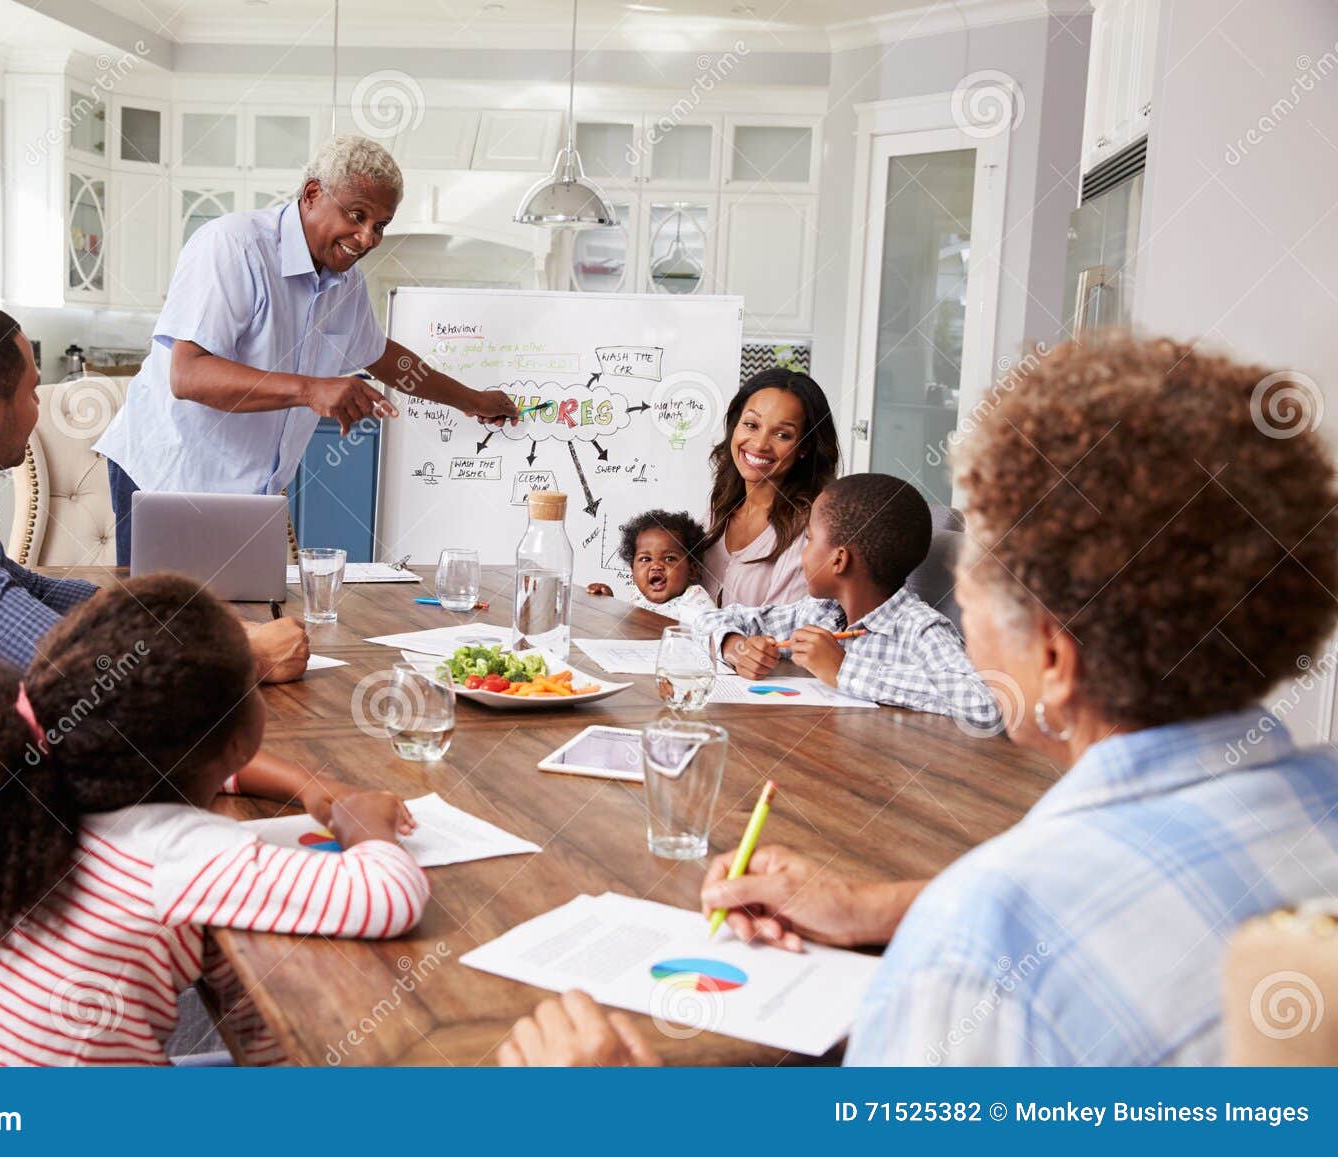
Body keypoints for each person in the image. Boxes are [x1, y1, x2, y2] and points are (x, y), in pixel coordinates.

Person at [500, 336, 1338, 1065]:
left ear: (1053, 655)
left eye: (979, 574)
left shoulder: (980, 947)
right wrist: (875, 907)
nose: (956, 594)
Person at [0, 574, 427, 1067]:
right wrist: (365, 825)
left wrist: (307, 785)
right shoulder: (180, 854)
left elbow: (186, 767)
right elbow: (388, 895)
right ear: (234, 739)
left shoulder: (55, 795)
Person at [0, 302, 311, 809]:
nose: (37, 407)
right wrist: (249, 659)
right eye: (32, 392)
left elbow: (37, 591)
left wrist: (198, 625)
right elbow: (78, 673)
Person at [95, 135, 518, 566]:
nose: (367, 238)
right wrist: (311, 389)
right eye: (357, 215)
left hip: (248, 490)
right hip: (169, 474)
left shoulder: (346, 282)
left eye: (380, 225)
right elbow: (188, 376)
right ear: (313, 194)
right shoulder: (234, 246)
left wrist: (473, 400)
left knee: (245, 607)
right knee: (165, 610)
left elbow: (384, 357)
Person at [701, 473, 1000, 731]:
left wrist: (844, 670)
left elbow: (987, 703)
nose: (802, 554)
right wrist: (736, 647)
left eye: (809, 539)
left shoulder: (919, 629)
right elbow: (709, 619)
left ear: (839, 560)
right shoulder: (820, 613)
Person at [697, 368, 839, 608]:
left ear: (805, 447)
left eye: (782, 435)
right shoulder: (719, 508)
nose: (760, 444)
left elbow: (778, 629)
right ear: (735, 425)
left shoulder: (810, 531)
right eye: (751, 425)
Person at [584, 509, 716, 624]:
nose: (656, 566)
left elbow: (713, 631)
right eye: (646, 559)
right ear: (633, 571)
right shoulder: (639, 595)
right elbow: (626, 625)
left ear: (691, 570)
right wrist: (607, 602)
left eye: (669, 559)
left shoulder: (694, 599)